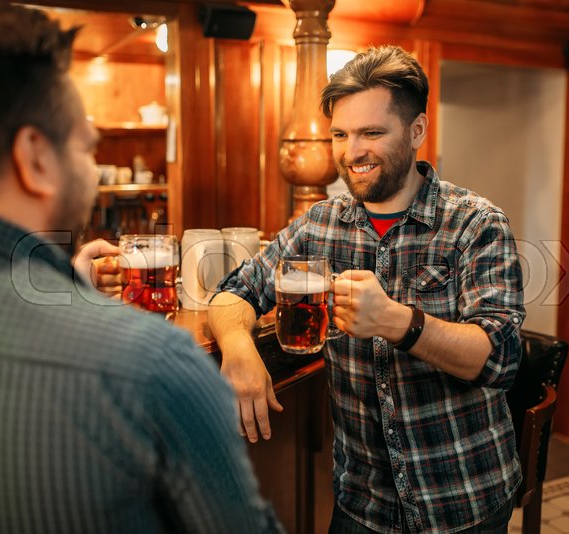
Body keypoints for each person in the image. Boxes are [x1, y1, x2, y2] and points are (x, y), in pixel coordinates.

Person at [0, 2, 280, 533]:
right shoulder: (148, 363)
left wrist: (63, 282)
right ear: (36, 159)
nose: (91, 170)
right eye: (87, 149)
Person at [209, 45, 525, 533]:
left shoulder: (475, 224)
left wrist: (398, 322)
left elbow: (498, 359)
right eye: (341, 133)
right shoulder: (318, 225)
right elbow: (235, 292)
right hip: (362, 504)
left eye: (372, 133)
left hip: (462, 499)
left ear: (416, 131)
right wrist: (237, 350)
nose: (351, 152)